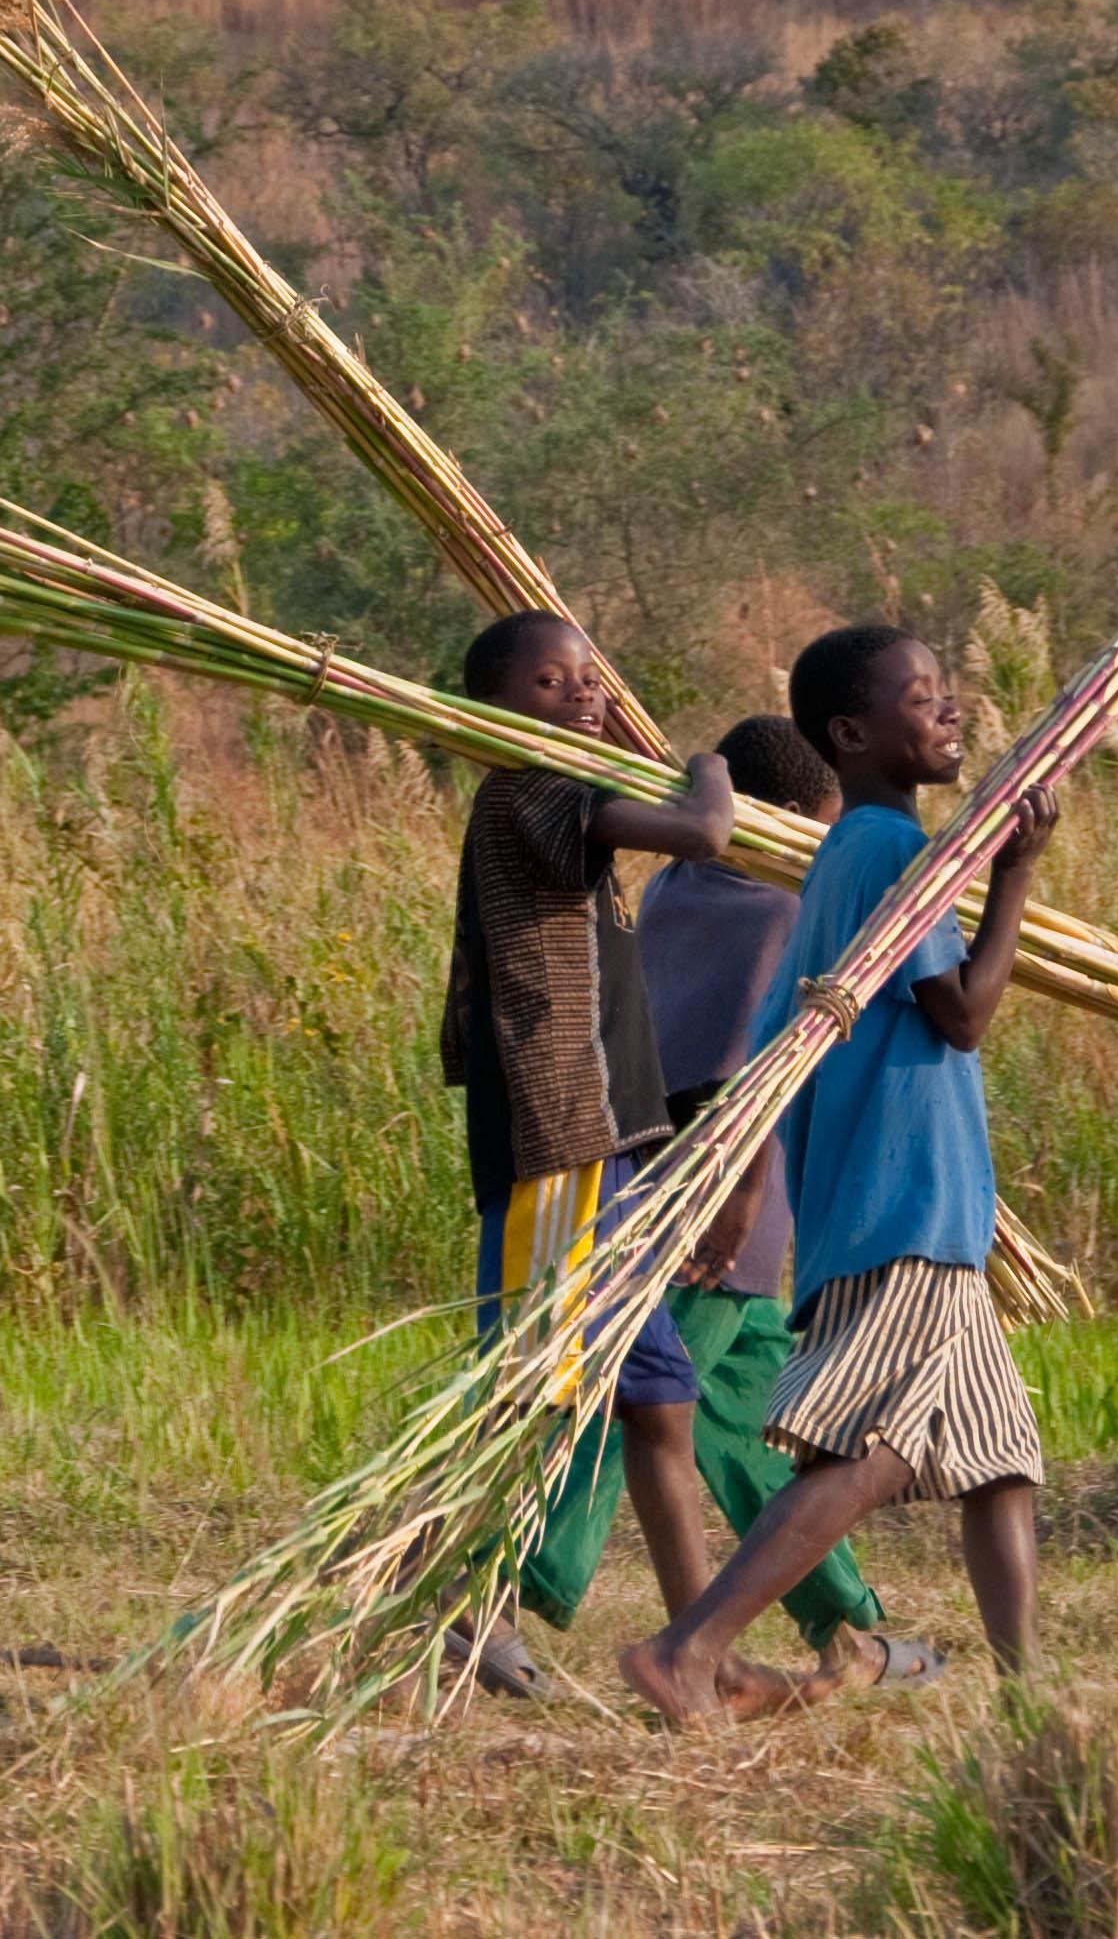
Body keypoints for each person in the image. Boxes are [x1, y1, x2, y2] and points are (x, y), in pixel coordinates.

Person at [620, 626, 1059, 1727]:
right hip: (902, 1195)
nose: (949, 709)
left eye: (948, 692)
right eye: (922, 697)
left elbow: (790, 1029)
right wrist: (1013, 872)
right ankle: (690, 1647)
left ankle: (1028, 1705)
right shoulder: (877, 849)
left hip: (926, 1194)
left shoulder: (862, 849)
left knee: (1001, 1458)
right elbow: (961, 1013)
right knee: (874, 1452)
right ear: (854, 733)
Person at [439, 609, 769, 1706]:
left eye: (589, 676)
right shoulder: (532, 794)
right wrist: (709, 761)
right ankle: (460, 1604)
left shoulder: (559, 796)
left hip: (611, 1148)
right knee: (535, 1389)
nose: (579, 693)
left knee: (660, 1402)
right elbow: (707, 833)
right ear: (498, 710)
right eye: (549, 681)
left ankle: (699, 1650)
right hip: (563, 1142)